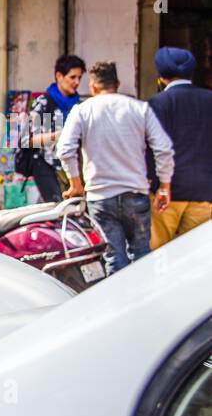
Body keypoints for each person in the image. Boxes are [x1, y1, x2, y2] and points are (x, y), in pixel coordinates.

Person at [57, 60, 174, 274]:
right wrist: (164, 185)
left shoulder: (82, 110)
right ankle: (143, 303)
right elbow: (164, 149)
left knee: (113, 258)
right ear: (117, 84)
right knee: (141, 255)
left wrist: (75, 184)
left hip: (100, 198)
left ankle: (119, 304)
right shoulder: (140, 108)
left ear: (92, 86)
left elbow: (64, 149)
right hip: (135, 194)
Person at [147, 46, 212, 248]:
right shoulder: (209, 100)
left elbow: (150, 148)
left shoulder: (157, 104)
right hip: (205, 192)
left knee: (156, 254)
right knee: (195, 257)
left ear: (161, 75)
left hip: (166, 193)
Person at [21, 54, 85, 204]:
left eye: (79, 78)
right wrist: (60, 135)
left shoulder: (79, 106)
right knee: (56, 210)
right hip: (47, 166)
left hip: (73, 170)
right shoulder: (43, 103)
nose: (76, 82)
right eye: (72, 77)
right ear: (59, 76)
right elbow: (26, 140)